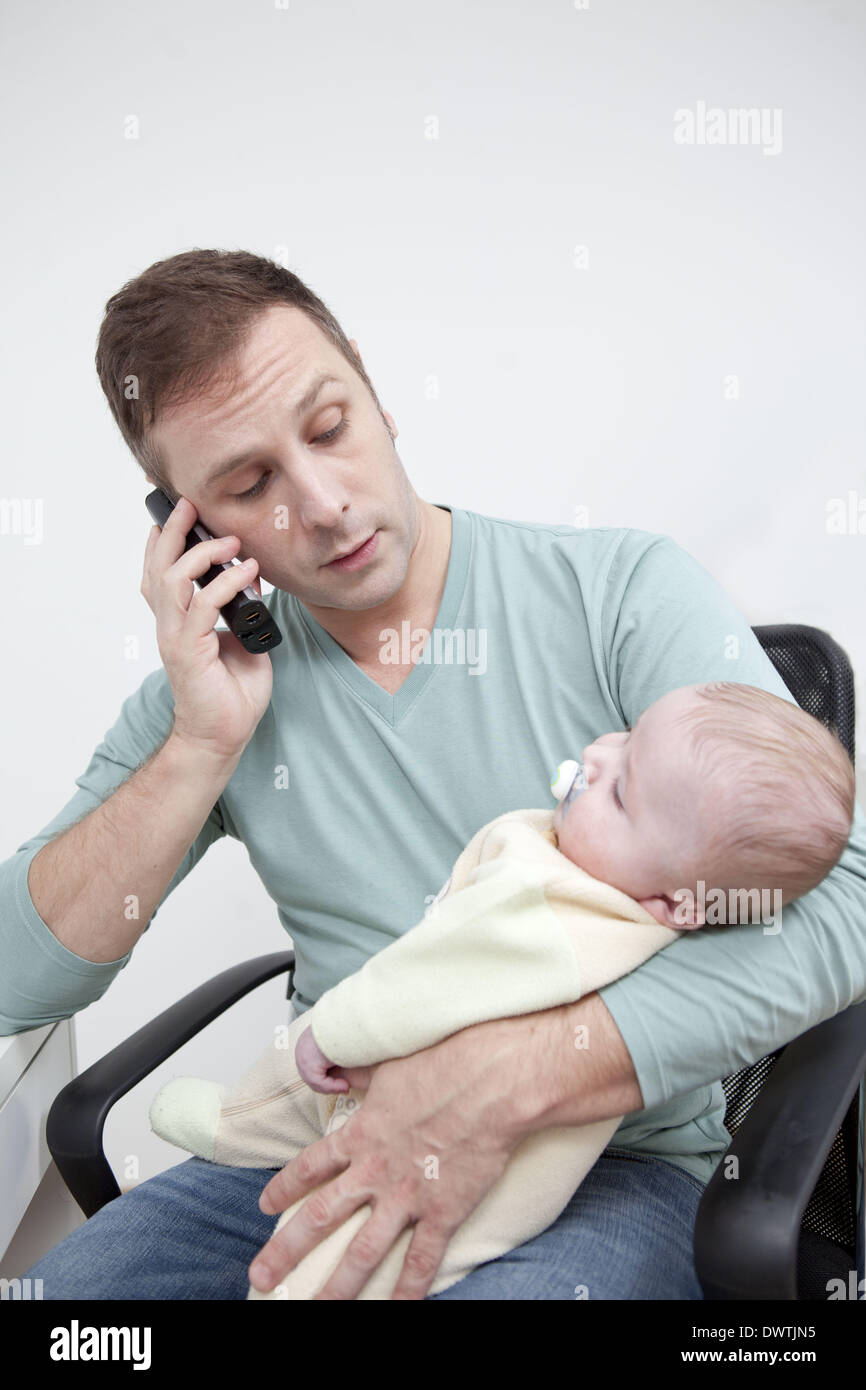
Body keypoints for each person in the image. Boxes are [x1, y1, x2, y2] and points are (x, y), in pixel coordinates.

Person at [4, 250, 865, 1302]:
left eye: (328, 428)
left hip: (606, 1168)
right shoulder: (206, 700)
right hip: (318, 1149)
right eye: (247, 484)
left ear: (370, 386)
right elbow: (18, 979)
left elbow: (849, 904)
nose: (321, 505)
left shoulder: (618, 593)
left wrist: (507, 1080)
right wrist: (196, 749)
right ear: (186, 524)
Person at [145, 680, 855, 1299]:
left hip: (502, 1167)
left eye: (620, 791)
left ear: (676, 903)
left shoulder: (557, 914)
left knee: (343, 1259)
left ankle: (254, 1161)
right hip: (415, 1122)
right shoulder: (623, 879)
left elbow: (430, 979)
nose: (599, 755)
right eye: (628, 735)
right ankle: (241, 1124)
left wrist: (340, 1032)